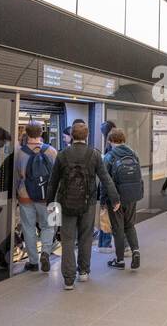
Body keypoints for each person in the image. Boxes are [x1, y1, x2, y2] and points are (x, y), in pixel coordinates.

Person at [45, 120, 119, 290]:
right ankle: (83, 272)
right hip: (88, 203)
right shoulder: (94, 155)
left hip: (66, 203)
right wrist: (115, 198)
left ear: (72, 136)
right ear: (87, 136)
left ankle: (68, 280)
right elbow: (105, 178)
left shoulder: (63, 155)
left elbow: (53, 181)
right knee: (85, 238)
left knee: (68, 240)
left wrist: (50, 202)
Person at [15, 122, 58, 273]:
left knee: (28, 228)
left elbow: (17, 177)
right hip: (47, 196)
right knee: (49, 225)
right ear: (41, 133)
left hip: (25, 196)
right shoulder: (51, 151)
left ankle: (33, 262)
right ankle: (45, 253)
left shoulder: (20, 153)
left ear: (27, 133)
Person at [102, 128, 143, 270]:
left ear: (110, 141)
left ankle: (119, 260)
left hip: (116, 199)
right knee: (130, 225)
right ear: (123, 139)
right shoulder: (133, 154)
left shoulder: (109, 157)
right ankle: (136, 251)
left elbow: (105, 181)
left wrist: (103, 201)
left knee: (118, 229)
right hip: (132, 196)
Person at [96, 119, 115, 252]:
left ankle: (105, 243)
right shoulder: (122, 150)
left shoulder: (109, 151)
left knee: (106, 217)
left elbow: (105, 176)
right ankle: (103, 243)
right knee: (112, 218)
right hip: (116, 189)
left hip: (109, 189)